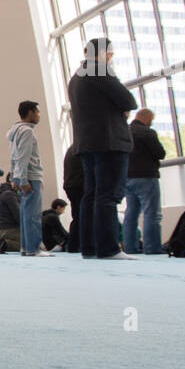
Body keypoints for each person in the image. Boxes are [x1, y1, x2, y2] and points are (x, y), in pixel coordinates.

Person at [68, 37, 138, 260]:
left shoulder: (76, 76)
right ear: (102, 54)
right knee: (108, 194)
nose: (110, 59)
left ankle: (89, 247)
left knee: (91, 195)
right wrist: (122, 110)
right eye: (110, 54)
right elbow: (128, 100)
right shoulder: (98, 70)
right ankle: (108, 248)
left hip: (86, 143)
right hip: (107, 141)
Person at [8, 100, 50, 256]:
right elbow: (24, 157)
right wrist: (24, 180)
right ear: (30, 112)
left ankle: (26, 247)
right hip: (30, 176)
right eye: (37, 112)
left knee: (26, 214)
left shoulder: (15, 131)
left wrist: (14, 177)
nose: (39, 115)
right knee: (33, 214)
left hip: (22, 176)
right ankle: (34, 248)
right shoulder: (27, 131)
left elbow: (14, 157)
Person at [124, 108, 167, 255]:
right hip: (146, 176)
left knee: (131, 213)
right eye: (151, 120)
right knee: (151, 213)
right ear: (147, 118)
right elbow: (160, 153)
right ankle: (152, 248)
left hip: (127, 177)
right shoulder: (147, 132)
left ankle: (129, 248)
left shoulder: (124, 131)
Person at [62, 143, 84, 254]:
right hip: (80, 185)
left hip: (71, 185)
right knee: (82, 217)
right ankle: (79, 245)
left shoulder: (72, 149)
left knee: (77, 217)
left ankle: (73, 246)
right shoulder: (81, 148)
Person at [0, 180, 20, 253]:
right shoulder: (9, 194)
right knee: (32, 246)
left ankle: (1, 242)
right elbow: (18, 216)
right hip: (10, 229)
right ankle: (7, 244)